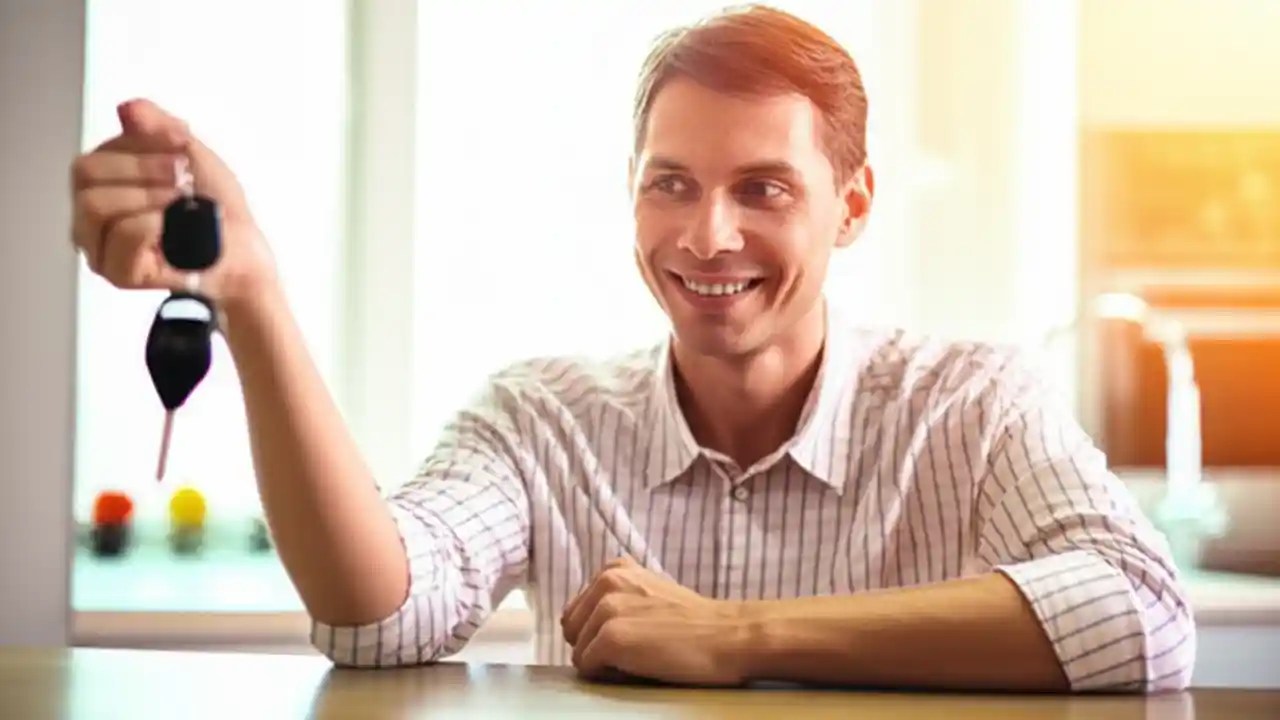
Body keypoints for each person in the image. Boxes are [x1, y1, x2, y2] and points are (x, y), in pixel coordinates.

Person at [69, 4, 1193, 693]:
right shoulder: (540, 416)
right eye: (671, 184)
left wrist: (738, 635)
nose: (707, 235)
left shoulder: (971, 401)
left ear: (850, 207)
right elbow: (374, 621)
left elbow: (1140, 616)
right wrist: (254, 298)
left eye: (762, 189)